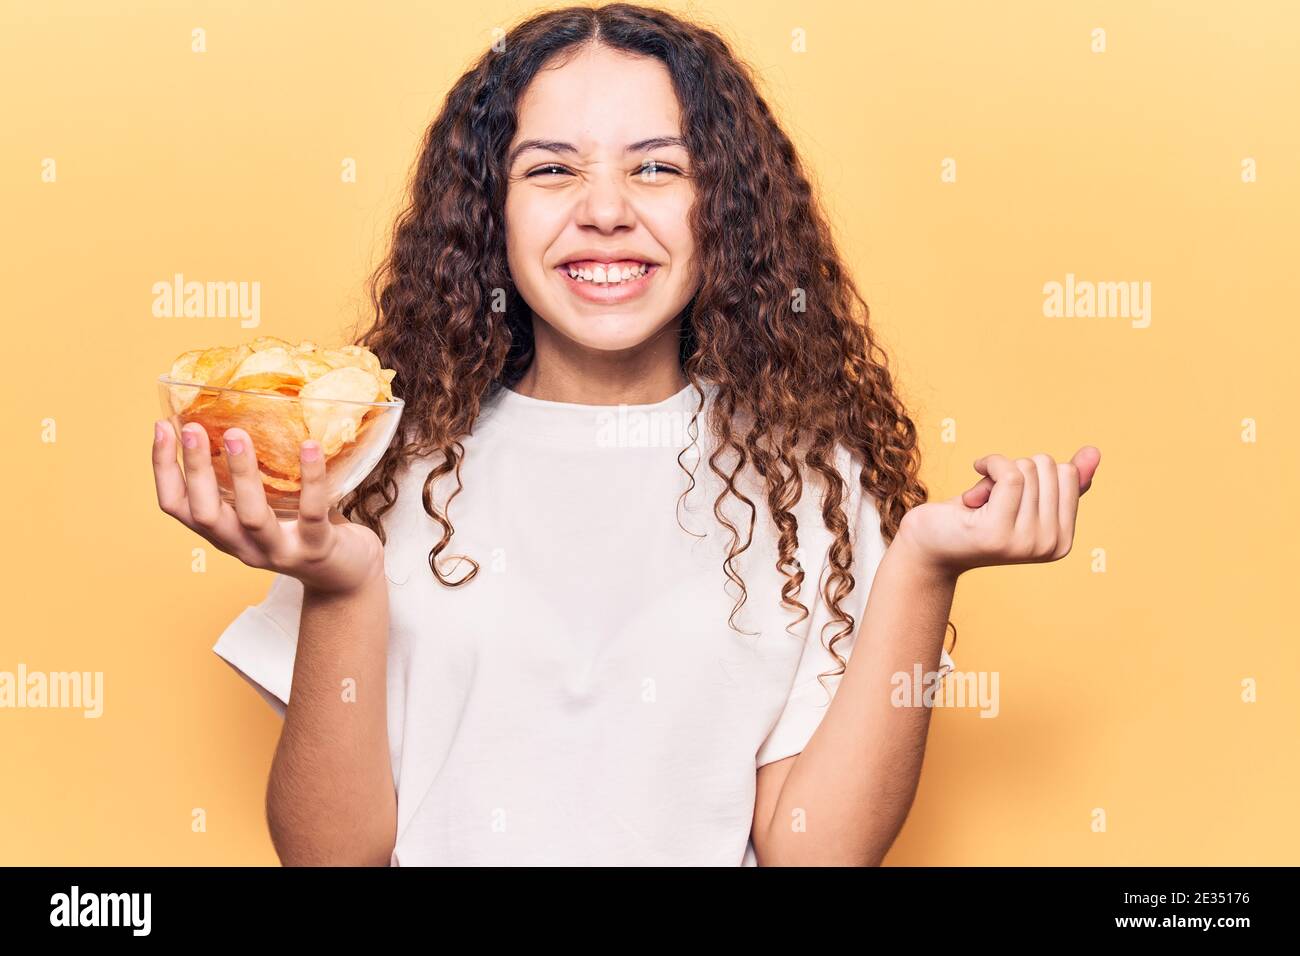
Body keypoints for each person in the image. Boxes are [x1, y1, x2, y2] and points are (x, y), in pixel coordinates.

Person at [151, 3, 1100, 866]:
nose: (605, 211)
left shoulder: (806, 481)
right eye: (552, 169)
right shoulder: (383, 465)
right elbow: (331, 859)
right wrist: (340, 583)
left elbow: (816, 855)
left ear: (721, 207)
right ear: (491, 213)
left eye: (657, 166)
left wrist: (927, 563)